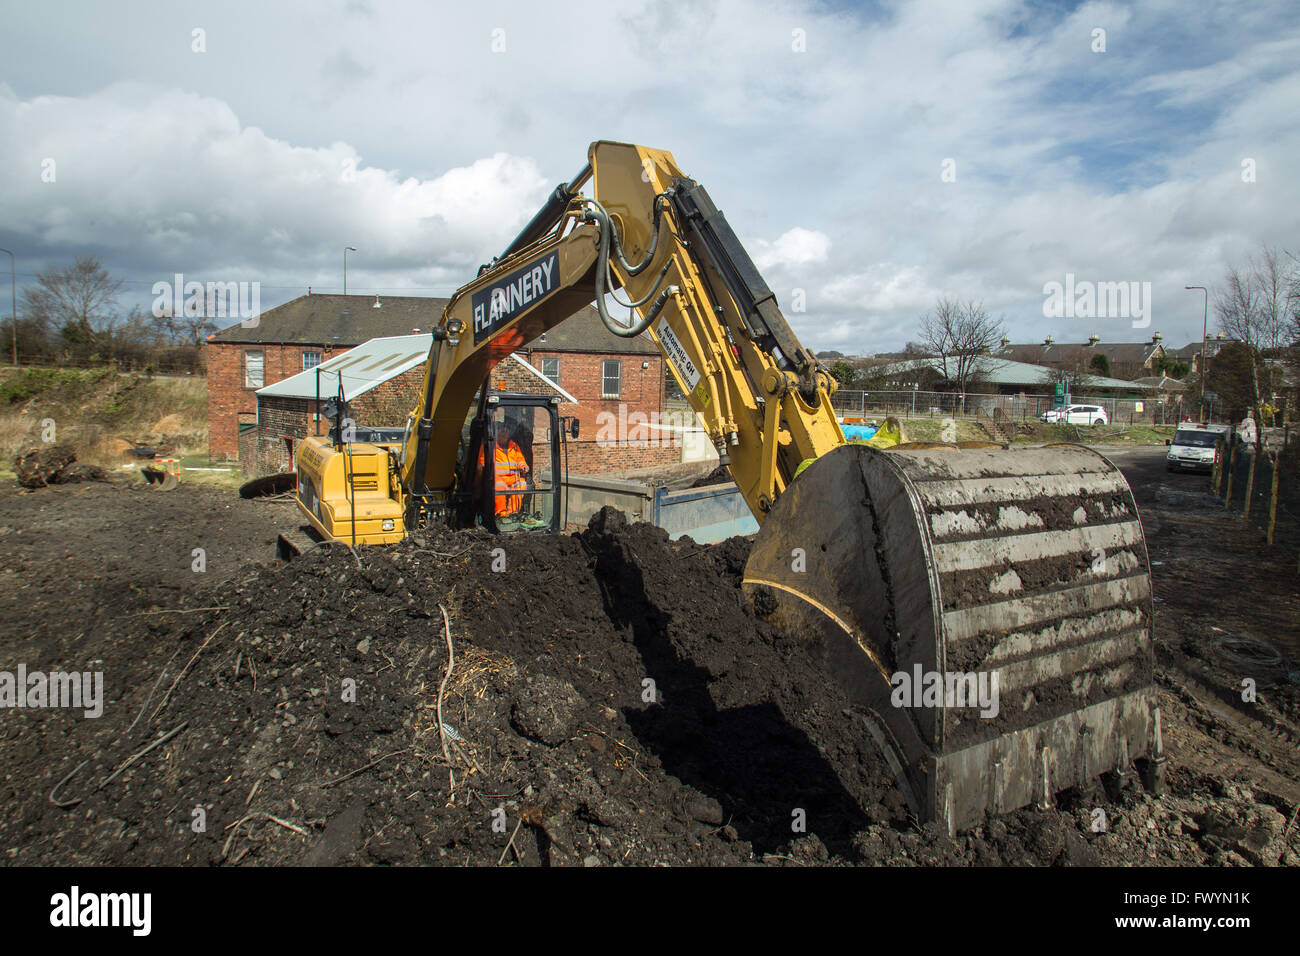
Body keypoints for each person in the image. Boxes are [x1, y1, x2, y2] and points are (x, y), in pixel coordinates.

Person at [476, 422, 529, 516]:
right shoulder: (489, 446)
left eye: (506, 431)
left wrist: (524, 466)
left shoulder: (514, 446)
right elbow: (482, 463)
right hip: (498, 477)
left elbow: (521, 460)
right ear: (496, 433)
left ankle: (513, 513)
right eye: (502, 431)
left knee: (522, 484)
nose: (504, 434)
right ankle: (501, 514)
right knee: (499, 486)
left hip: (513, 478)